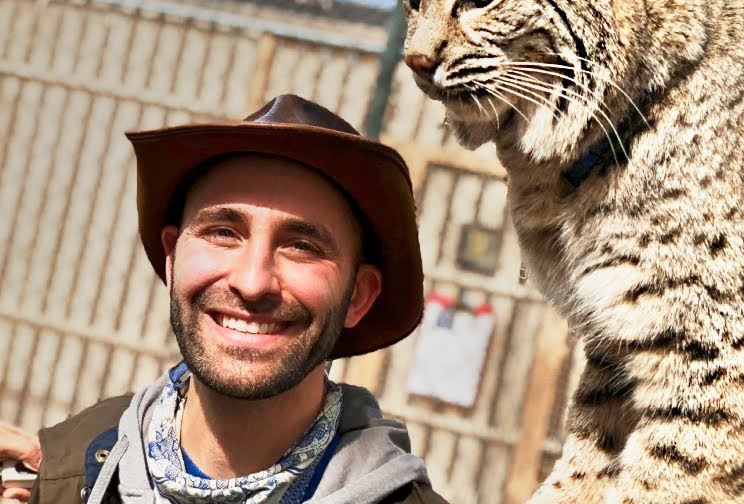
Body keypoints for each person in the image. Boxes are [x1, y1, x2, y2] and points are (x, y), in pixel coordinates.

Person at [2, 94, 448, 504]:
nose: (253, 282)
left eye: (303, 246)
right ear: (172, 258)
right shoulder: (72, 473)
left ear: (357, 296)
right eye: (222, 232)